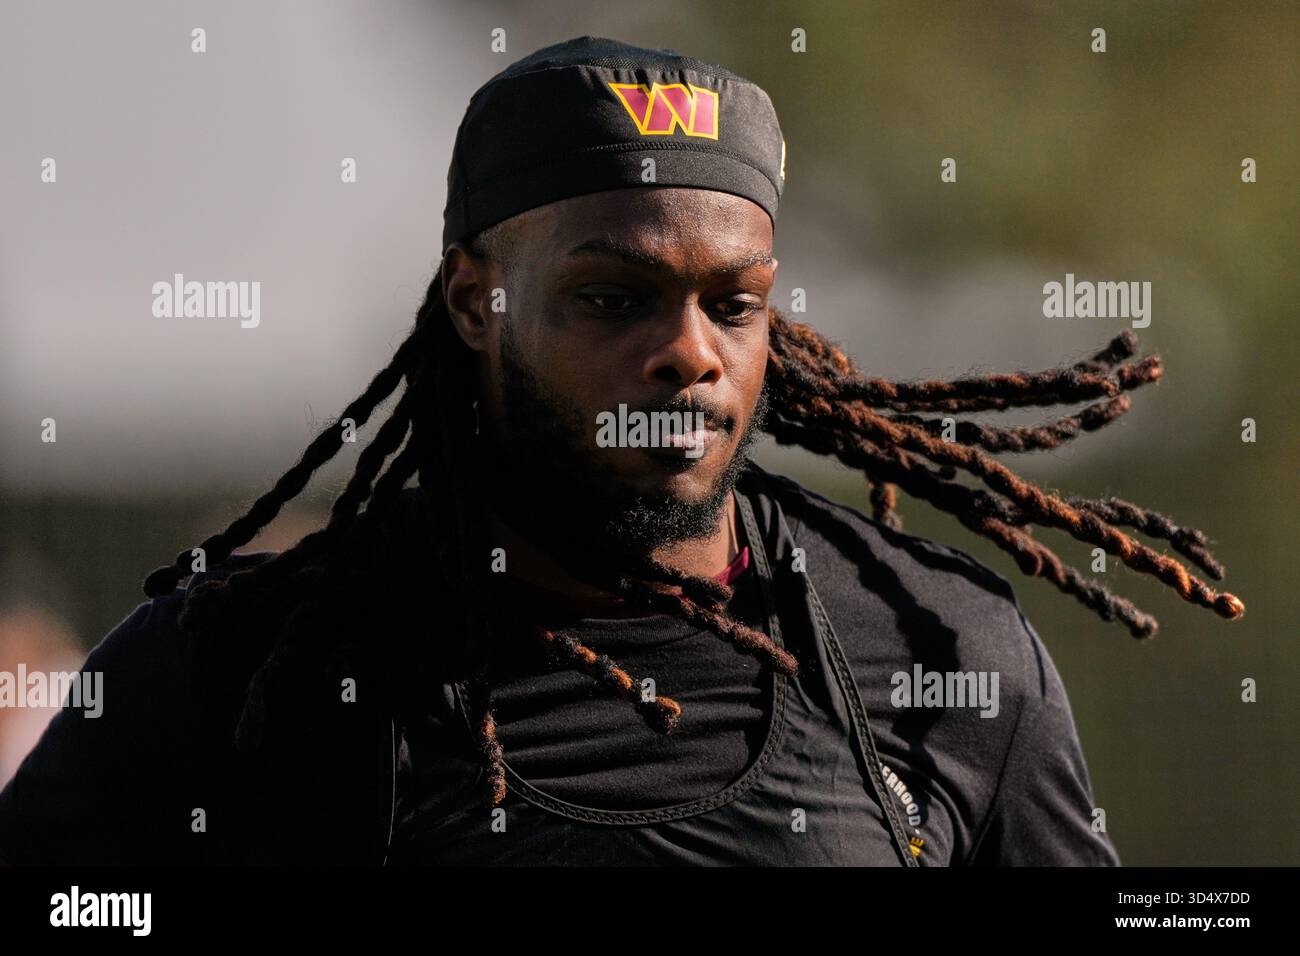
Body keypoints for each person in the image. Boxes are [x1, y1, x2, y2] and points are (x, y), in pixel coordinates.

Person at [0, 35, 1245, 867]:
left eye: (733, 303)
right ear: (475, 301)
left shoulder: (943, 657)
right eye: (612, 298)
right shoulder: (234, 677)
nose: (688, 354)